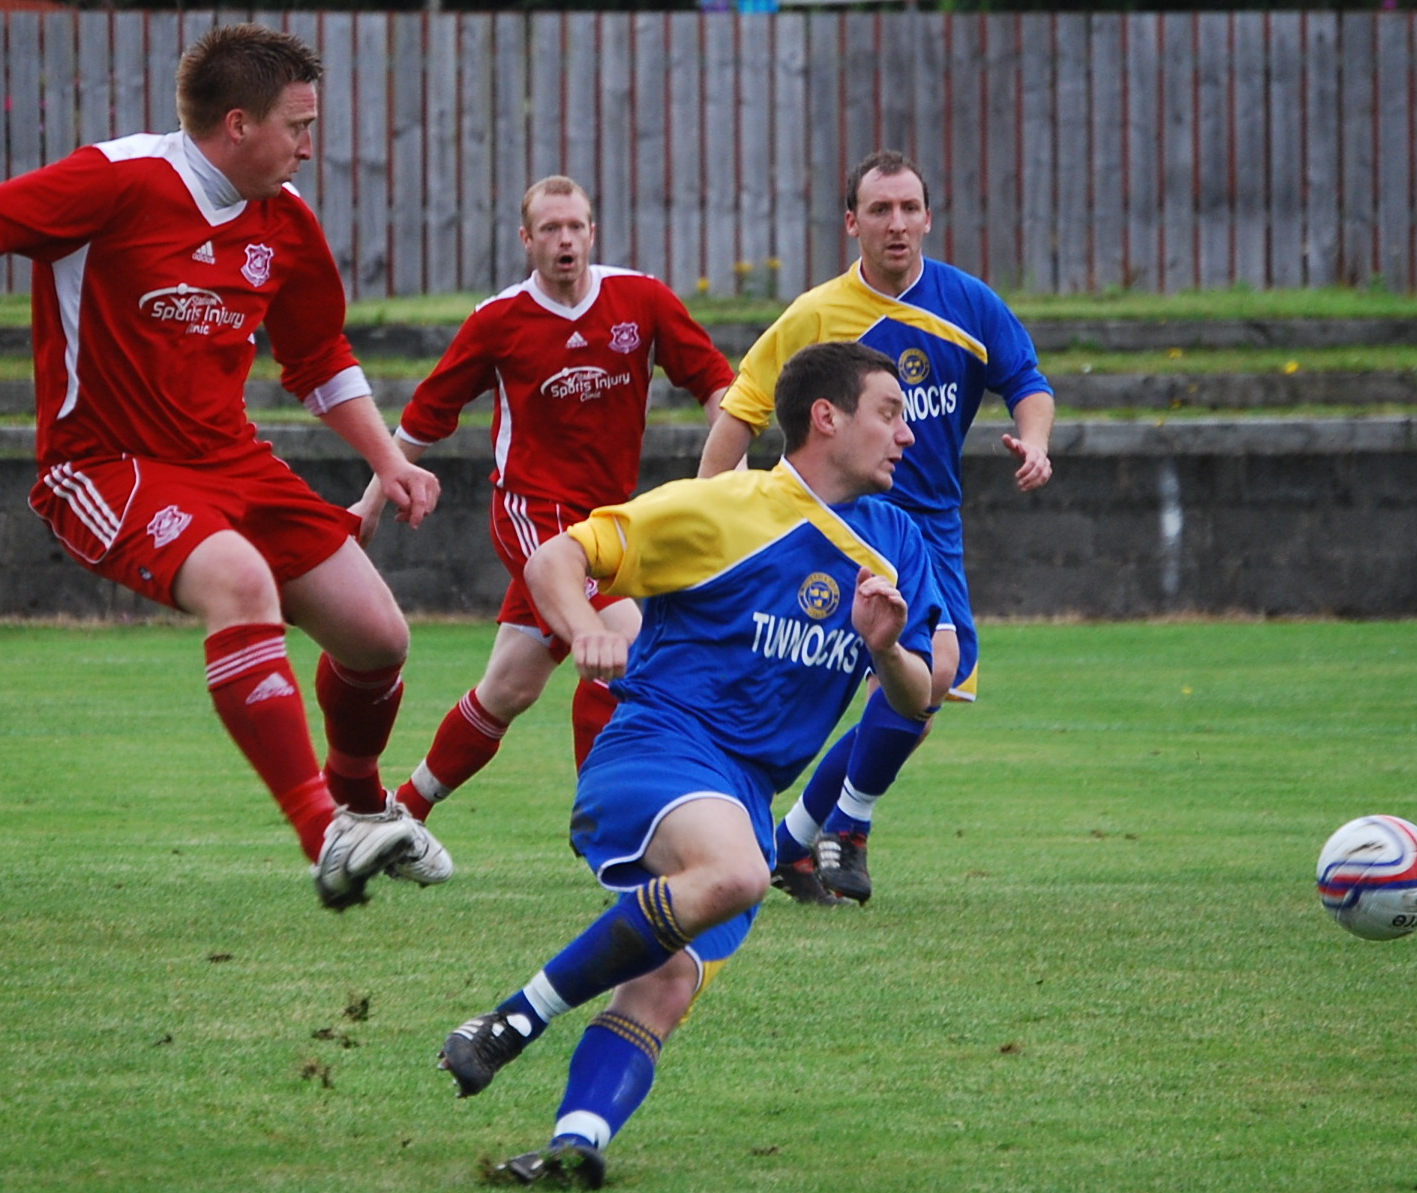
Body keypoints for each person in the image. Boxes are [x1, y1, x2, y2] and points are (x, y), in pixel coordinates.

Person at [0, 23, 445, 911]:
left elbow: (318, 354)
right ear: (235, 124)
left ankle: (363, 801)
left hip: (233, 462)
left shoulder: (286, 220)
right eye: (297, 125)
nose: (310, 143)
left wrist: (388, 461)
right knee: (240, 582)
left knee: (379, 638)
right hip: (104, 463)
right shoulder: (119, 179)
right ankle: (325, 839)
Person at [434, 341, 941, 1188]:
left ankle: (576, 1143)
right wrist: (581, 626)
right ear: (828, 417)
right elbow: (555, 557)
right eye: (890, 414)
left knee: (664, 984)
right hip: (657, 748)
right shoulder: (721, 509)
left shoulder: (895, 547)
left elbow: (919, 692)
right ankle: (512, 1022)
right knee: (740, 871)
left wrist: (885, 650)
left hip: (743, 786)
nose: (907, 436)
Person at [697, 149, 1055, 907]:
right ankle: (839, 831)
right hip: (836, 524)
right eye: (880, 210)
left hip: (929, 526)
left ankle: (794, 843)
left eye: (909, 209)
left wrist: (1037, 440)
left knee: (921, 695)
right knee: (902, 681)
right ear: (852, 222)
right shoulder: (817, 315)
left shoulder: (967, 303)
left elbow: (1027, 381)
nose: (897, 224)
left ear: (928, 217)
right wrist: (705, 513)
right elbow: (743, 407)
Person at [353, 175, 734, 879]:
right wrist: (373, 499)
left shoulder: (641, 300)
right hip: (533, 515)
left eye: (576, 227)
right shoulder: (500, 319)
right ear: (527, 240)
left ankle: (396, 816)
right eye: (550, 229)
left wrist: (729, 477)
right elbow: (423, 418)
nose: (566, 240)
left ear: (594, 232)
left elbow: (718, 387)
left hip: (612, 525)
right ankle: (610, 832)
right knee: (625, 648)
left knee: (509, 688)